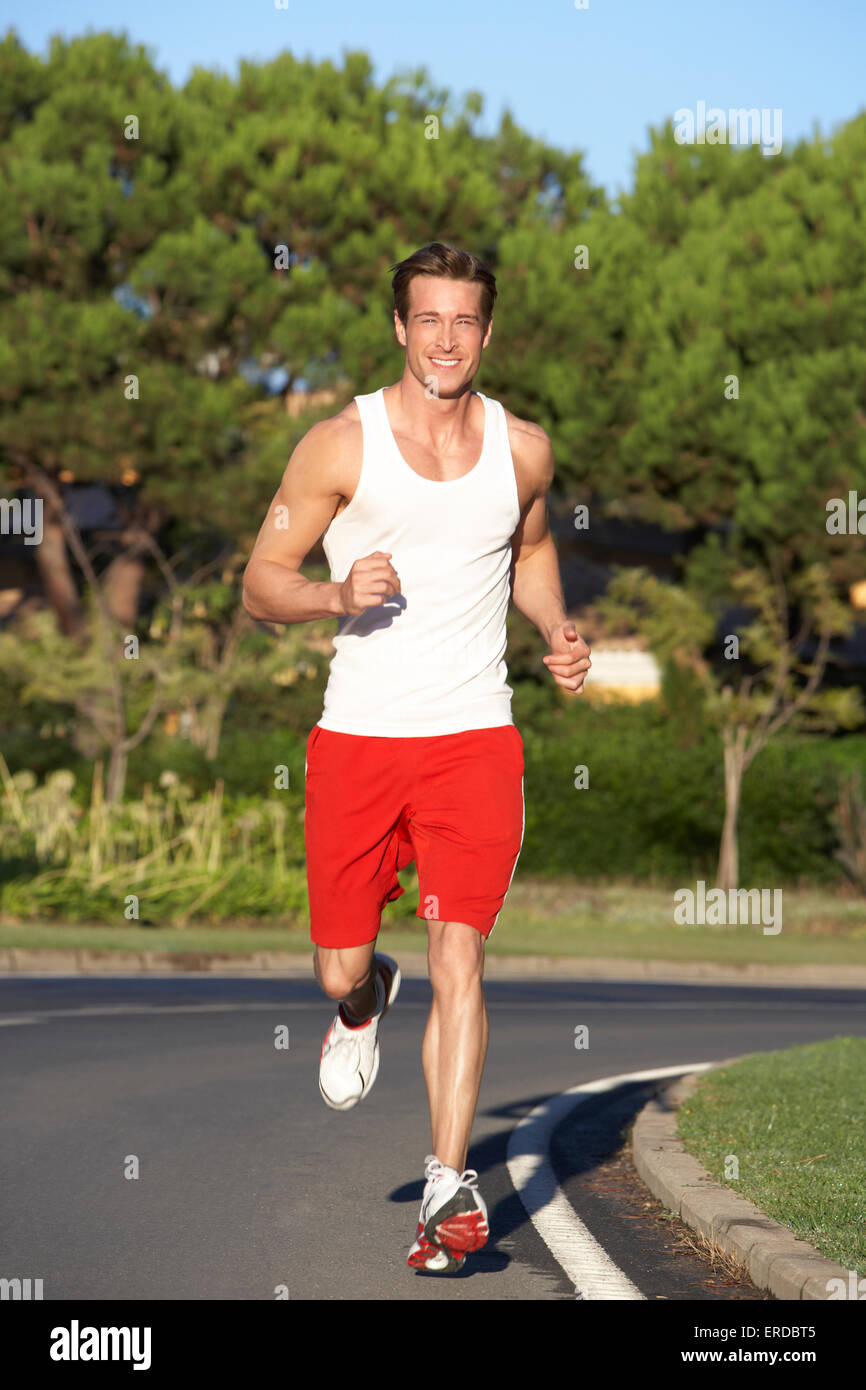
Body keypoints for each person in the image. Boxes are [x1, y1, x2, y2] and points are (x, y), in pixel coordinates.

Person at [242, 241, 591, 1274]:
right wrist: (334, 594)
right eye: (427, 319)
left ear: (487, 331)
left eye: (465, 321)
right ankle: (361, 996)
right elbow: (261, 582)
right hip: (357, 738)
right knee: (338, 963)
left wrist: (556, 630)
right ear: (400, 327)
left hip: (473, 737)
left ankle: (446, 1186)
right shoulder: (336, 446)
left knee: (462, 954)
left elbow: (527, 552)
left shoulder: (522, 450)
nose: (446, 339)